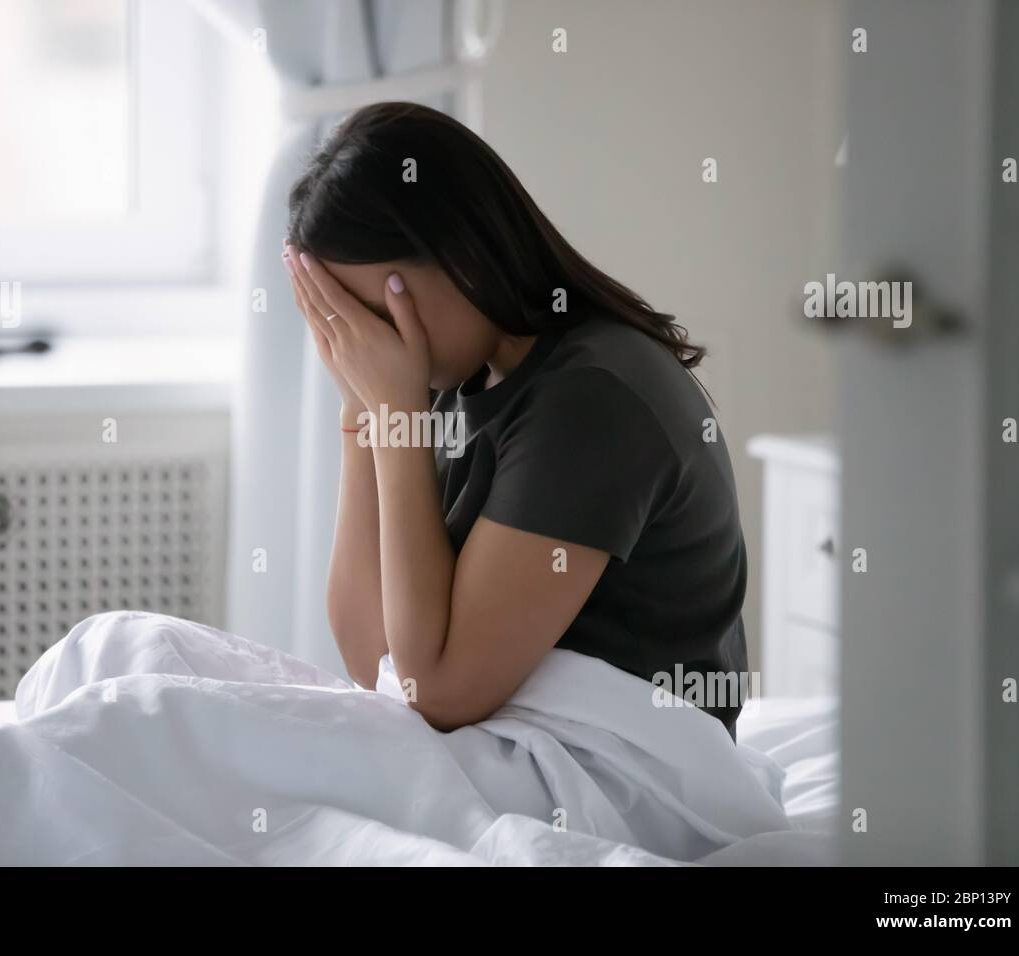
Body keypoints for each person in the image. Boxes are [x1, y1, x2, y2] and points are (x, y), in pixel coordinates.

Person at [281, 101, 749, 740]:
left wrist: (394, 417)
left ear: (460, 254)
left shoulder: (593, 400)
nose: (369, 347)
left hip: (627, 766)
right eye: (346, 327)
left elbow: (436, 692)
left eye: (376, 316)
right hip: (521, 742)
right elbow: (374, 664)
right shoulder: (452, 376)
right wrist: (363, 413)